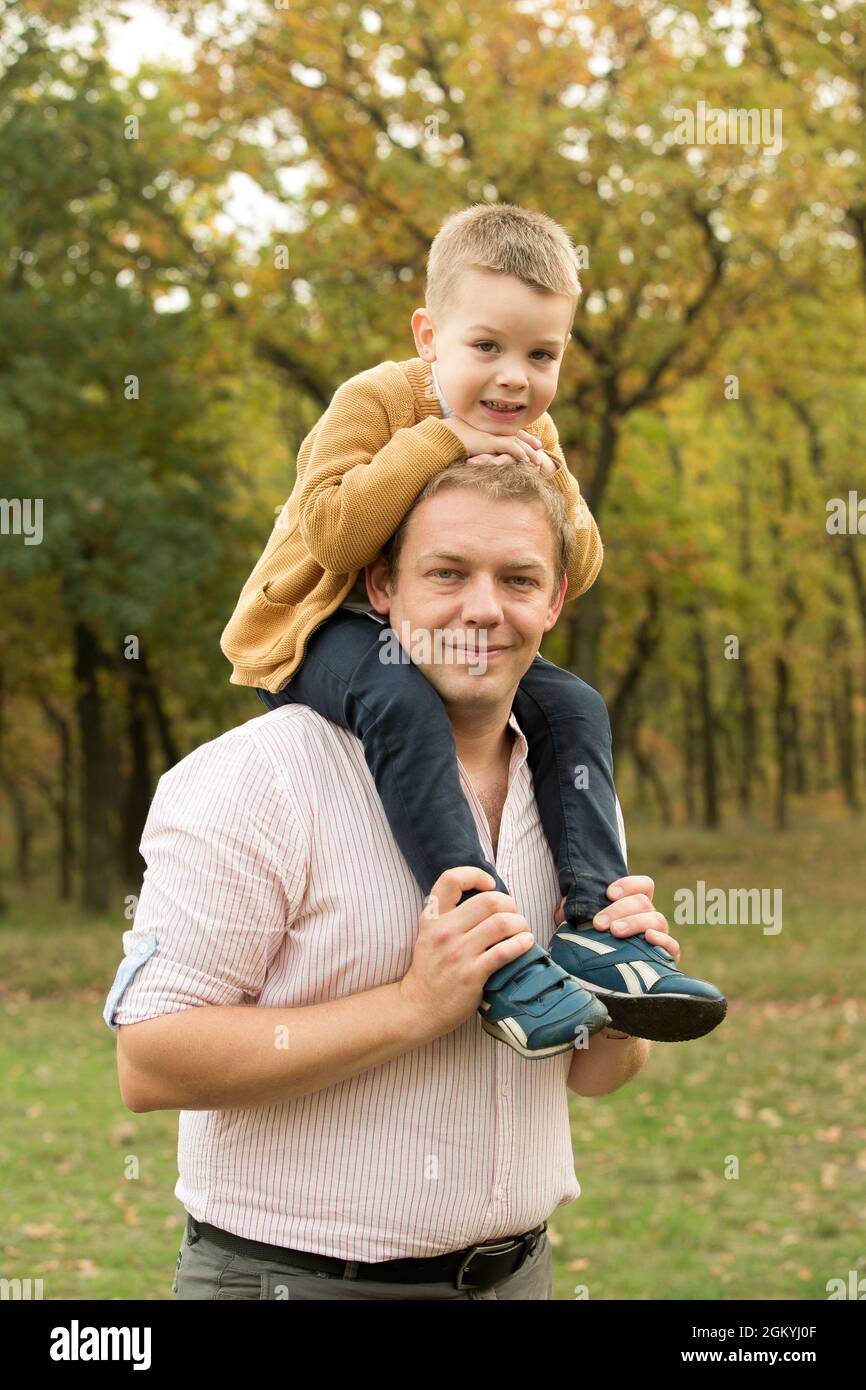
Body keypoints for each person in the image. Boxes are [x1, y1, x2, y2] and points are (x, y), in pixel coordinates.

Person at [105, 459, 686, 1299]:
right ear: (382, 586)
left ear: (554, 600)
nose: (483, 609)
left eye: (518, 579)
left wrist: (620, 1005)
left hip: (518, 1277)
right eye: (446, 573)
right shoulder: (259, 777)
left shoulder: (573, 795)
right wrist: (414, 1007)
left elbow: (594, 1077)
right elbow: (151, 1062)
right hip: (293, 1283)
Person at [219, 201, 726, 1051]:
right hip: (316, 626)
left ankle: (598, 922)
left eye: (542, 355)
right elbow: (336, 534)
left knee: (574, 706)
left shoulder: (534, 431)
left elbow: (581, 564)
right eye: (486, 348)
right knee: (399, 698)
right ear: (429, 336)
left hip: (440, 628)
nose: (513, 379)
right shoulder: (377, 400)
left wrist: (551, 480)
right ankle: (491, 949)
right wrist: (440, 442)